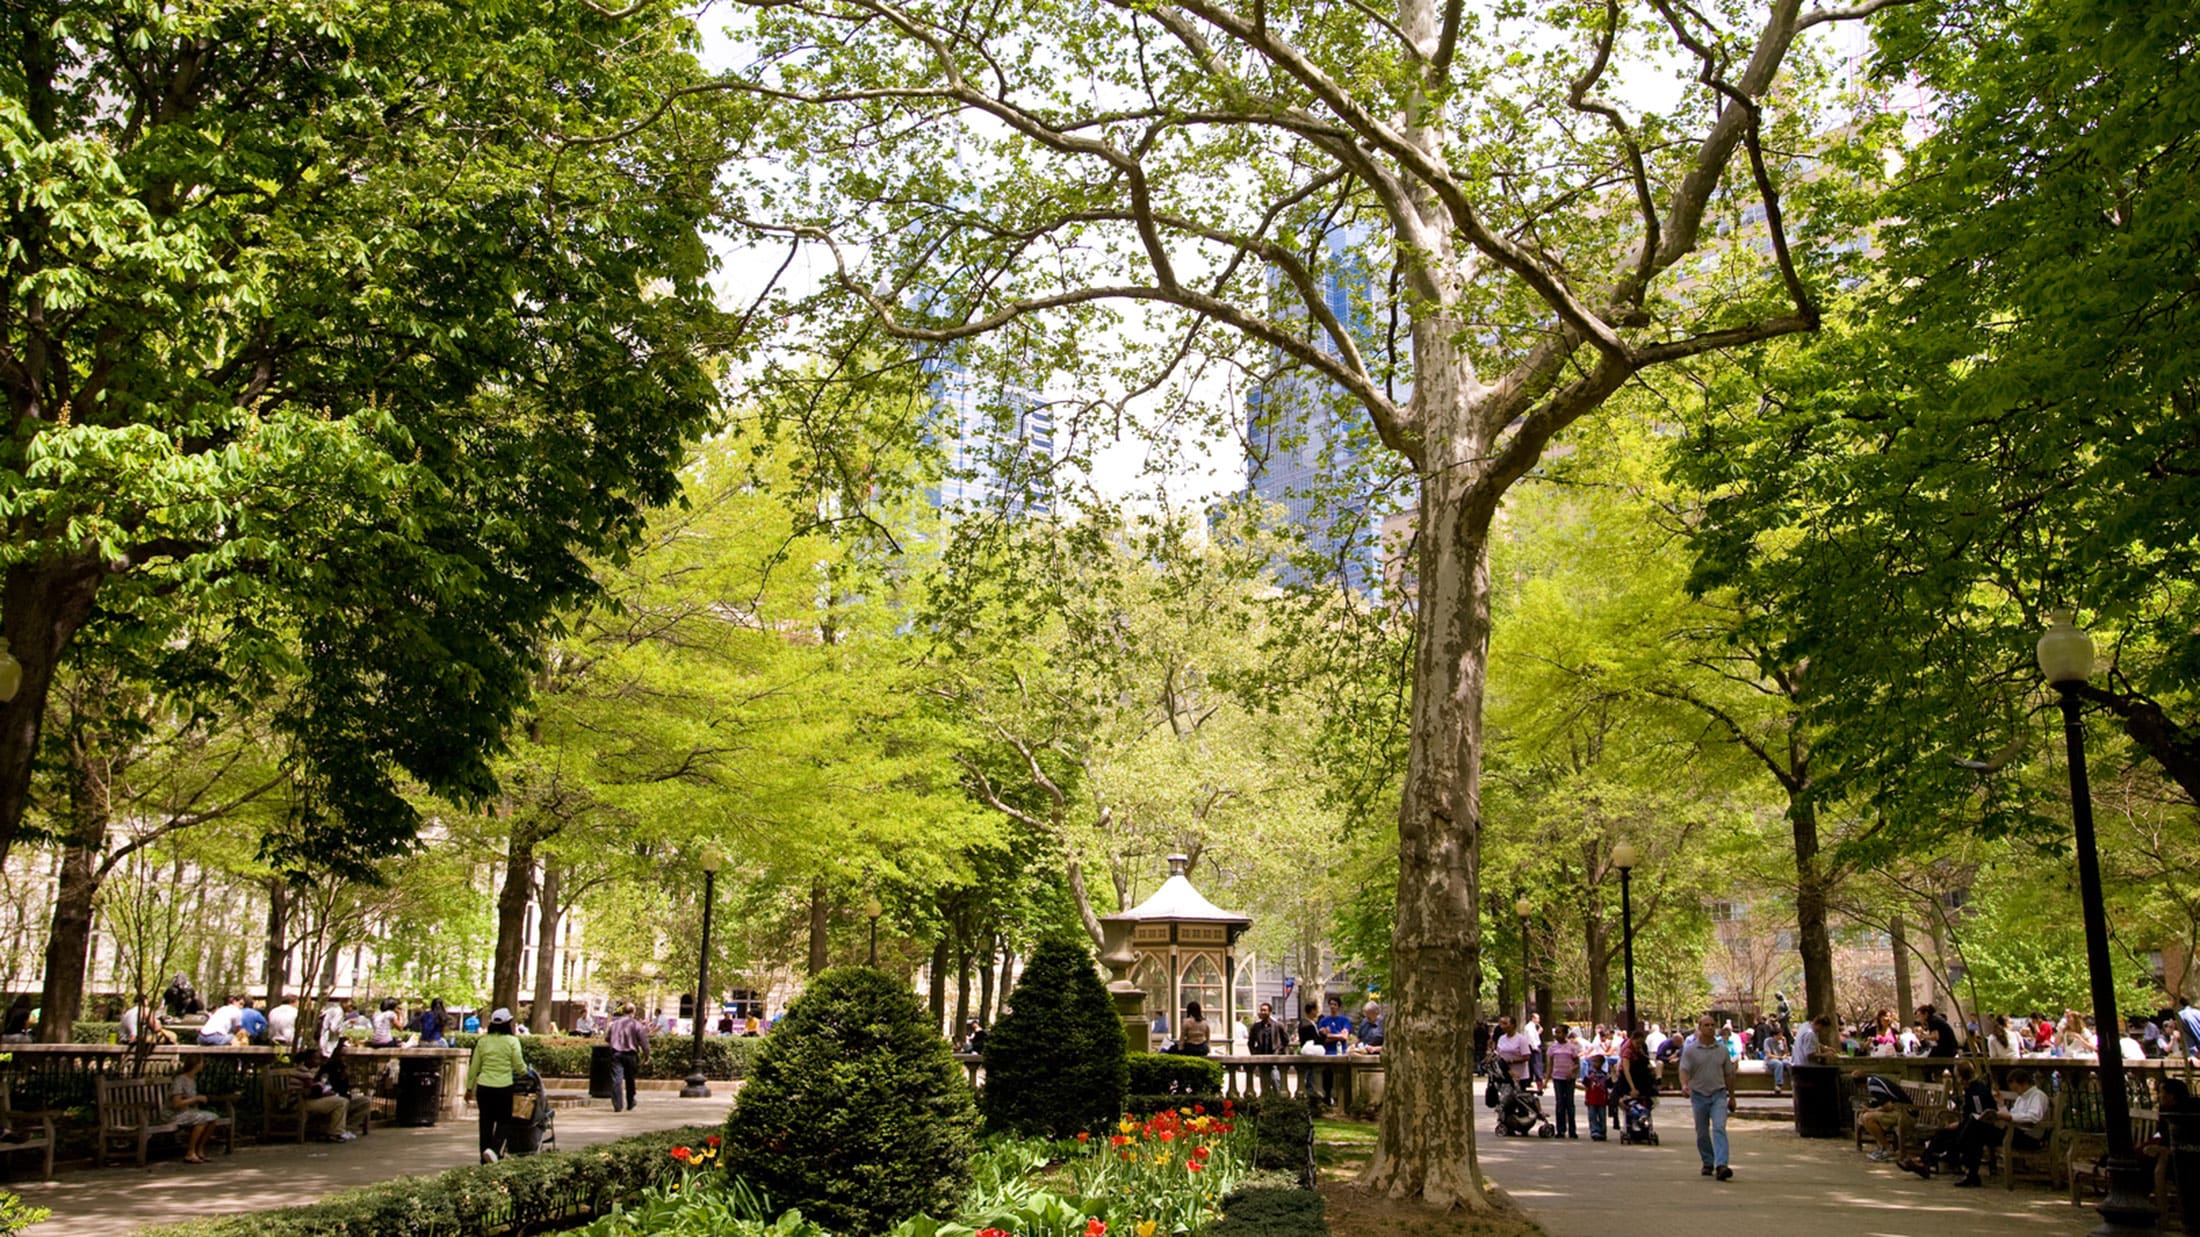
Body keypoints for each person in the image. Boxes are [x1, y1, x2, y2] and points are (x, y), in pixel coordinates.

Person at [1904, 1059, 1997, 1186]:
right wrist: (1960, 1123)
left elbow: (1980, 1114)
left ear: (1961, 1077)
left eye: (1957, 1076)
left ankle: (1931, 1160)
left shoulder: (1977, 1091)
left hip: (1981, 1129)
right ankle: (1924, 1162)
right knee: (1942, 1133)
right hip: (1970, 1126)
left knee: (1958, 1139)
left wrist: (1961, 1124)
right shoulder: (1970, 1089)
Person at [1679, 1013, 1736, 1181]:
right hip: (1699, 1095)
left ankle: (1721, 1165)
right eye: (1707, 1025)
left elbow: (1729, 1074)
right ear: (1700, 1028)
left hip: (1718, 1094)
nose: (1710, 1028)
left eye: (1712, 1025)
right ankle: (1708, 1161)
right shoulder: (1691, 1050)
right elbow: (1684, 1070)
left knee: (1719, 1128)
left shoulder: (1722, 1050)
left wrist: (1731, 1096)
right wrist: (1684, 1086)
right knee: (1702, 1132)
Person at [469, 1008, 527, 1163]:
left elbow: (474, 1067)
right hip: (504, 1087)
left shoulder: (483, 1041)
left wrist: (469, 1088)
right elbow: (519, 1065)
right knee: (504, 1121)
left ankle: (484, 1159)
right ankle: (494, 1150)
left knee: (485, 1123)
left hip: (484, 1087)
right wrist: (525, 1072)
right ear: (508, 1023)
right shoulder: (512, 1041)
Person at [289, 1049, 367, 1140]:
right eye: (316, 1059)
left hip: (308, 1099)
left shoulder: (312, 1071)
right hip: (301, 1102)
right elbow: (312, 1092)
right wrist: (326, 1094)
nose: (319, 1061)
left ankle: (344, 1128)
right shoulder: (304, 1071)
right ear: (308, 1060)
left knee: (362, 1101)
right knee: (341, 1102)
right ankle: (335, 1132)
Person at [168, 1055, 225, 1163]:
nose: (203, 1065)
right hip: (175, 1114)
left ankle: (199, 1150)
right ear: (197, 1064)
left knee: (212, 1118)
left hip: (188, 1112)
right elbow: (176, 1103)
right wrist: (196, 1099)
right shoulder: (180, 1080)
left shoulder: (193, 1079)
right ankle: (190, 1152)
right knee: (201, 1119)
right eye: (202, 1062)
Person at [604, 1002, 650, 1113]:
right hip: (631, 1054)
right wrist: (646, 1056)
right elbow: (644, 1042)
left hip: (616, 1054)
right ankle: (630, 1101)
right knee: (630, 1079)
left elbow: (607, 1038)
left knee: (617, 1080)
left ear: (623, 1011)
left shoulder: (614, 1024)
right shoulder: (636, 1024)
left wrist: (615, 1040)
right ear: (633, 1012)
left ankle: (617, 1105)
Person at [1548, 1024, 1581, 1139]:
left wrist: (1572, 1071)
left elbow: (1577, 1063)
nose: (1557, 1035)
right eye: (1556, 1032)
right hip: (1557, 1078)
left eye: (1559, 1032)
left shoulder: (1571, 1047)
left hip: (1569, 1079)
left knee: (1570, 1104)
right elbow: (1550, 1064)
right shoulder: (1553, 1048)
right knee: (1560, 1104)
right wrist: (1547, 1079)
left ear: (1565, 1034)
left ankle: (1572, 1130)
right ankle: (1560, 1130)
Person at [1247, 1002, 1287, 1093]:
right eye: (1261, 1010)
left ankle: (1278, 1100)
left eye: (1265, 1010)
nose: (1262, 1012)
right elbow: (1250, 1042)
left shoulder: (1278, 1025)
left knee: (1275, 1080)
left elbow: (1286, 1041)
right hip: (1262, 1058)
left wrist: (1279, 1051)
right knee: (1264, 1083)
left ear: (1270, 1012)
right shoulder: (1256, 1026)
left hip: (1274, 1058)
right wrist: (1254, 1053)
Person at [1763, 1027, 1791, 1094]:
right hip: (1771, 1059)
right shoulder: (1767, 1041)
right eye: (1779, 1035)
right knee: (1778, 1064)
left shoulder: (1782, 1041)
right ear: (1774, 1035)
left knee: (1788, 1064)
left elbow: (1787, 1053)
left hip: (1781, 1058)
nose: (1781, 1037)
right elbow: (1769, 1055)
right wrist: (1779, 1057)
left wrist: (1785, 1044)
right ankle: (1778, 1084)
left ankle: (1792, 1080)